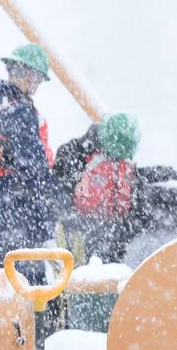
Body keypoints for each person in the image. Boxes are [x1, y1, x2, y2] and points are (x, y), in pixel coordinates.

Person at [0, 44, 61, 276]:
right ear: (28, 74)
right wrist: (47, 221)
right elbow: (33, 172)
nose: (38, 85)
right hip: (18, 210)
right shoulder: (18, 112)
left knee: (0, 282)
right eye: (38, 78)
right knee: (28, 288)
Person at [53, 112, 148, 264]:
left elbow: (136, 185)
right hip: (82, 234)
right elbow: (59, 192)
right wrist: (71, 221)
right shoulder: (76, 155)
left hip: (112, 235)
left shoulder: (123, 165)